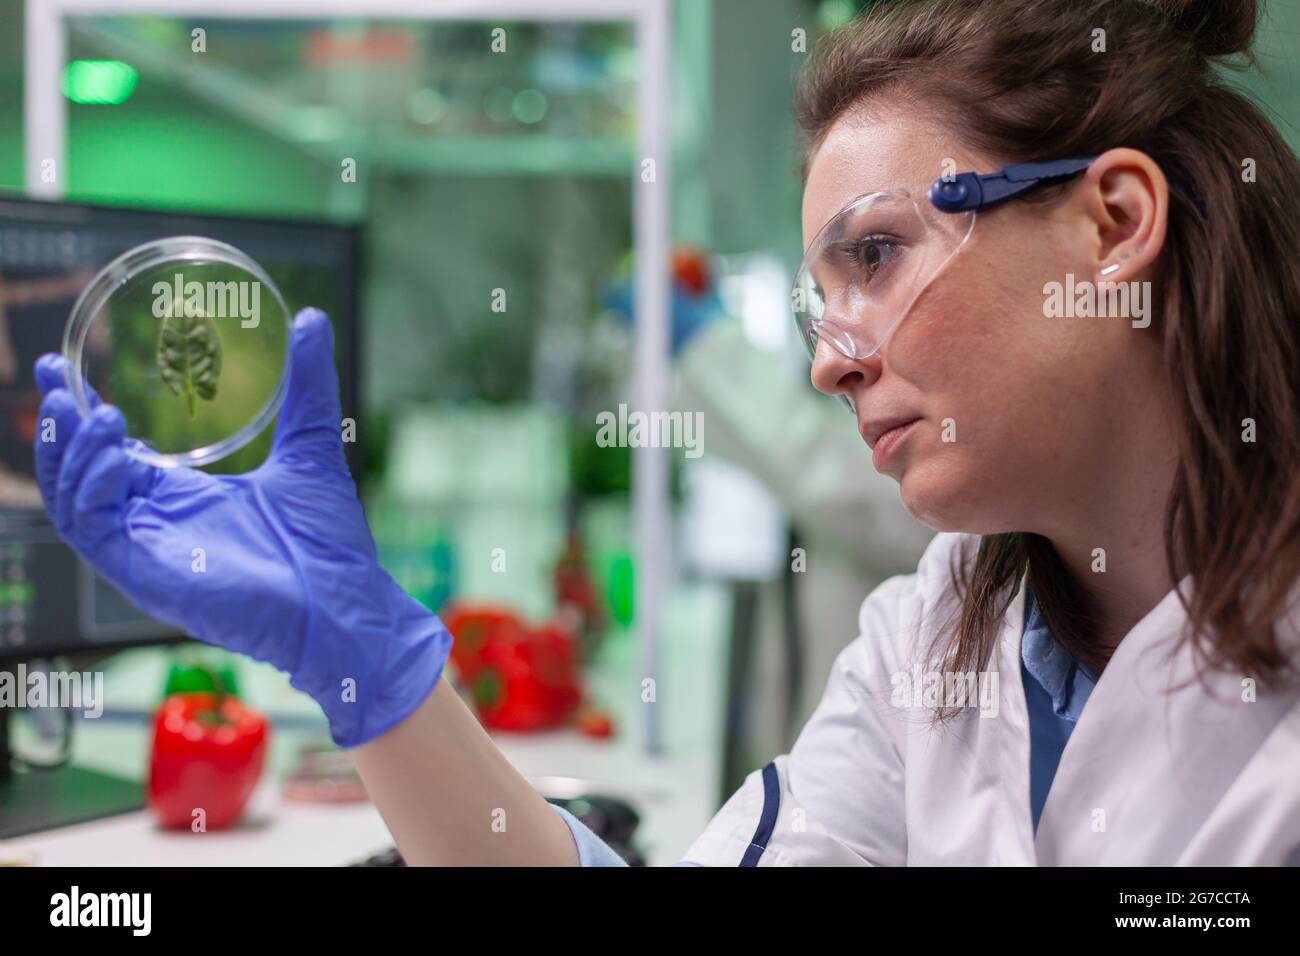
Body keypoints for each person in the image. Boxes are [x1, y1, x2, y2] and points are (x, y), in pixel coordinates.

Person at [34, 0, 1300, 865]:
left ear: (1112, 222)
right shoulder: (939, 628)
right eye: (820, 292)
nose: (826, 356)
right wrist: (366, 667)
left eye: (875, 253)